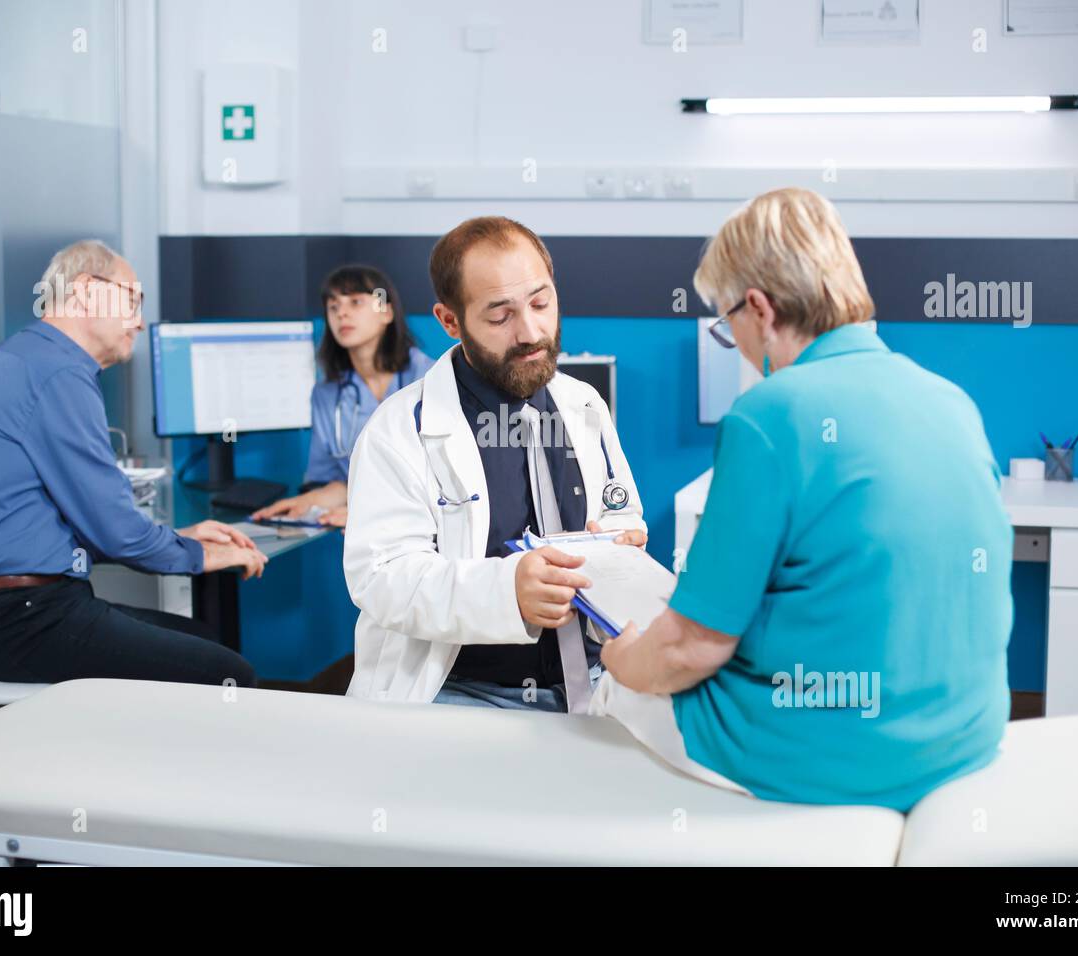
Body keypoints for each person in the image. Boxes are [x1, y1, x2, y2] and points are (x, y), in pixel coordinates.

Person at [592, 188, 1013, 811]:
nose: (731, 338)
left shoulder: (769, 414)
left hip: (844, 756)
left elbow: (691, 648)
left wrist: (622, 659)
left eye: (726, 320)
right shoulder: (950, 400)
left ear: (758, 308)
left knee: (616, 694)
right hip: (965, 736)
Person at [0, 239, 265, 688]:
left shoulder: (28, 361)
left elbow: (75, 529)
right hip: (14, 619)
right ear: (87, 291)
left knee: (198, 639)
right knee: (228, 675)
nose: (140, 322)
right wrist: (204, 554)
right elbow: (117, 532)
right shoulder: (57, 371)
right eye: (132, 299)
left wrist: (179, 538)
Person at [342, 217, 647, 712]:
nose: (531, 332)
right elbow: (382, 579)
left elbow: (620, 515)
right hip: (462, 689)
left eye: (541, 303)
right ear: (451, 321)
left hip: (594, 679)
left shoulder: (583, 404)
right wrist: (508, 590)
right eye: (500, 315)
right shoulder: (399, 430)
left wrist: (619, 548)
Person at [251, 265, 433, 529]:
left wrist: (368, 512)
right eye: (333, 307)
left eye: (356, 302)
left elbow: (444, 477)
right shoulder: (327, 396)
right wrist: (311, 501)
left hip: (430, 531)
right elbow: (333, 481)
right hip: (364, 541)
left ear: (387, 312)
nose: (342, 313)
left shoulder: (430, 378)